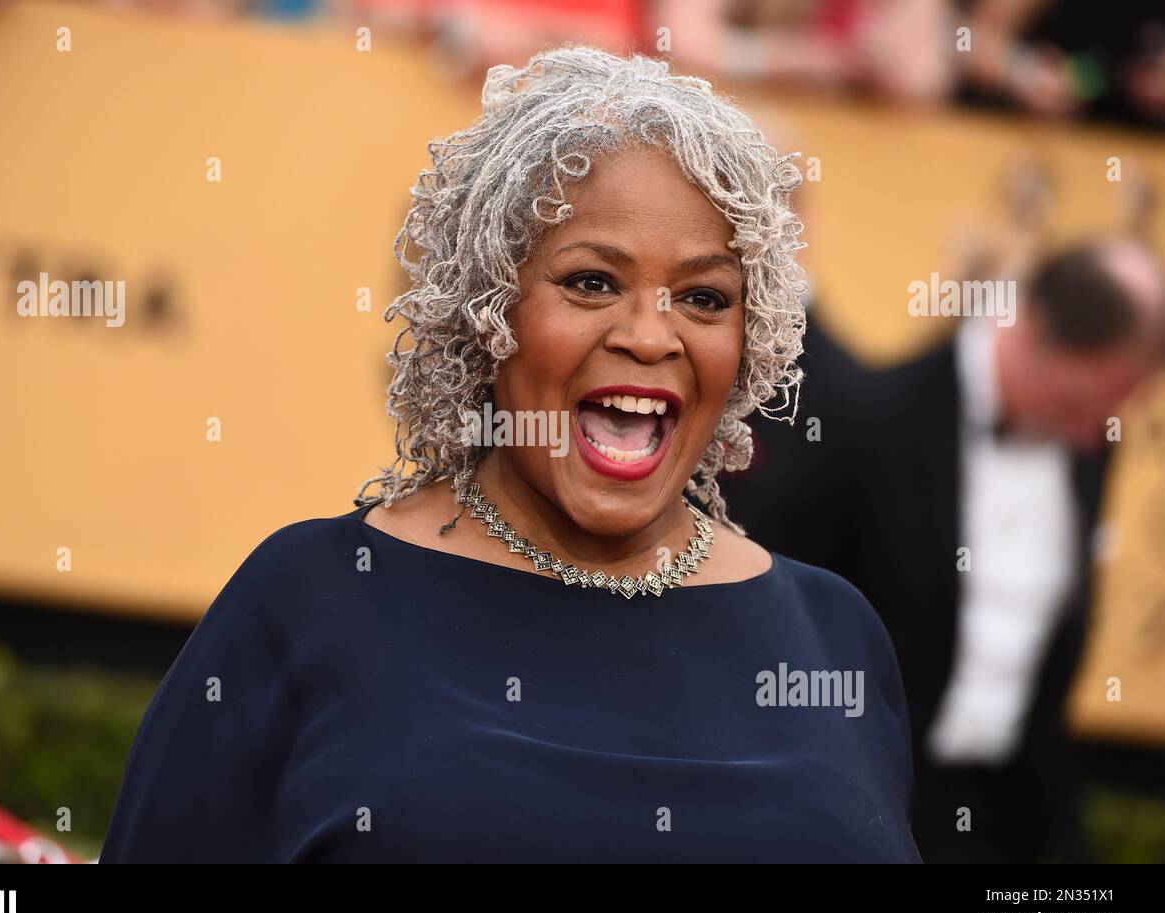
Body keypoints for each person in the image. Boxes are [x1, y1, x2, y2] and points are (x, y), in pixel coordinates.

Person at [100, 46, 921, 863]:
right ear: (487, 310)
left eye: (704, 297)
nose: (648, 335)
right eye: (592, 282)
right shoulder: (306, 603)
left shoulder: (833, 636)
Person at [725, 237, 1165, 862]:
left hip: (1008, 816)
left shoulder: (1087, 441)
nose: (1095, 433)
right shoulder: (872, 421)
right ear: (1032, 328)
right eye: (1080, 403)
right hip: (871, 798)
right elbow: (776, 616)